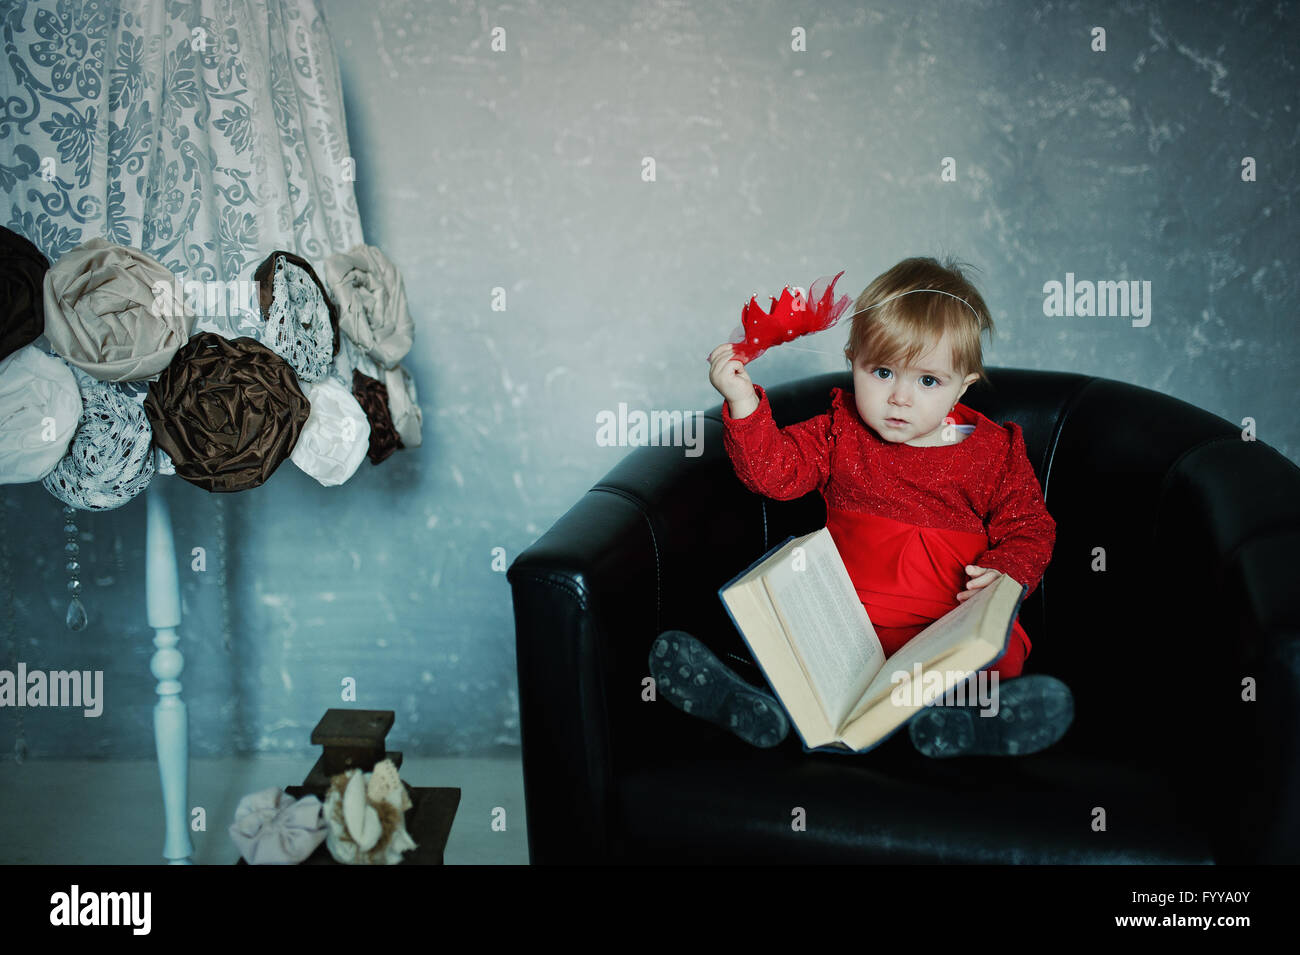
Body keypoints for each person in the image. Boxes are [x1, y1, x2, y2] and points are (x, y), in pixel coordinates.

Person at [649, 256, 1074, 757]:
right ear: (853, 360)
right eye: (882, 371)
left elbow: (1030, 527)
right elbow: (775, 474)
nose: (899, 398)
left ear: (964, 384)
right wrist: (743, 403)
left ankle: (962, 726)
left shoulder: (992, 451)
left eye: (928, 381)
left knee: (993, 661)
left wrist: (1008, 571)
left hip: (940, 628)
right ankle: (756, 705)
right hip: (848, 626)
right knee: (784, 649)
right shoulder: (840, 429)